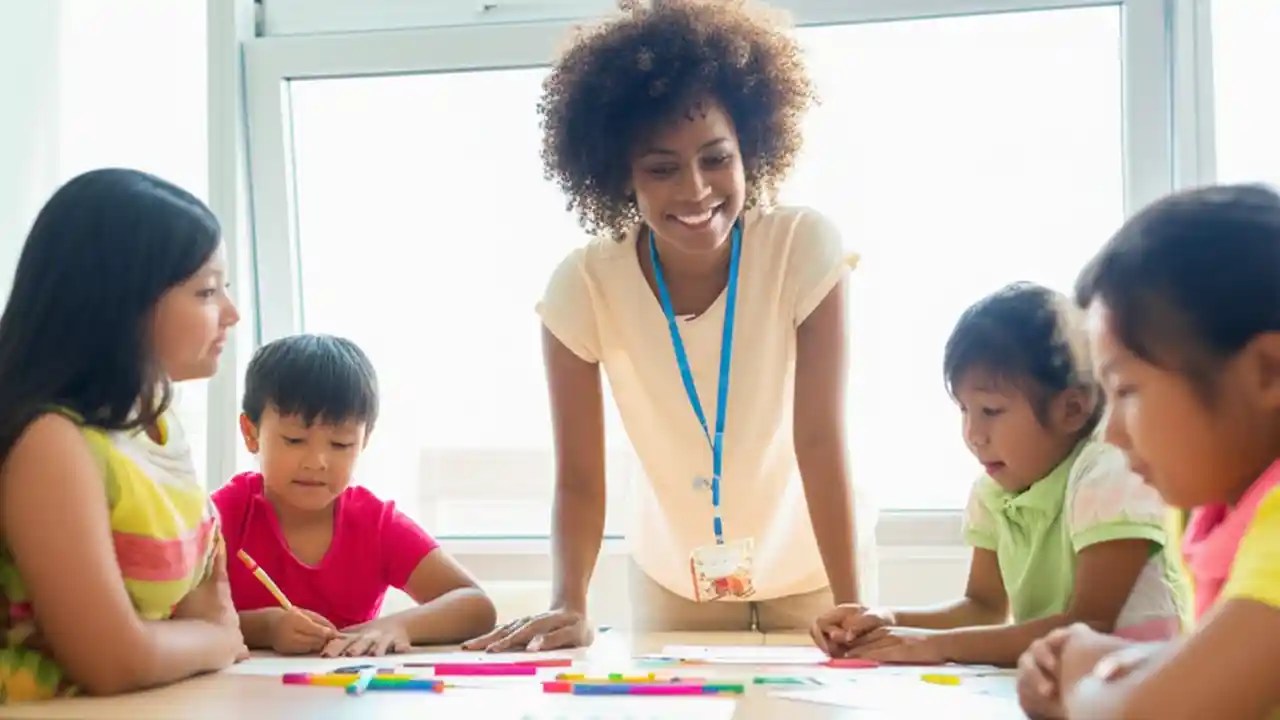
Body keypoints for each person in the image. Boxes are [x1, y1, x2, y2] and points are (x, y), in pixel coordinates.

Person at [465, 0, 873, 652]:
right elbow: (577, 478)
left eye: (717, 158)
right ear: (621, 175)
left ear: (751, 147)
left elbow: (821, 441)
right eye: (661, 168)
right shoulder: (584, 287)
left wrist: (855, 602)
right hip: (673, 582)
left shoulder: (803, 247)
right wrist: (567, 601)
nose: (696, 189)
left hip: (816, 573)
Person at [811, 283, 1184, 666]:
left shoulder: (1108, 474)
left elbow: (1089, 625)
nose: (973, 434)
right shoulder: (995, 490)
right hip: (1073, 682)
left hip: (1146, 684)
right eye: (963, 410)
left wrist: (936, 645)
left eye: (990, 410)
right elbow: (984, 606)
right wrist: (889, 619)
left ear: (1072, 409)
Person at [1016, 184, 1280, 719]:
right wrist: (1112, 662)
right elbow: (1204, 672)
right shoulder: (1213, 511)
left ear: (1268, 372)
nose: (1110, 433)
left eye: (1127, 390)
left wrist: (1083, 671)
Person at [0, 168, 244, 701]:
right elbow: (114, 660)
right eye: (206, 290)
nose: (232, 313)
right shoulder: (51, 442)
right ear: (120, 305)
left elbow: (201, 606)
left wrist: (204, 634)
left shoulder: (156, 425)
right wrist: (216, 639)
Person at [214, 334, 496, 657]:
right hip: (242, 700)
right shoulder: (223, 515)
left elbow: (477, 605)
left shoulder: (374, 523)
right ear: (251, 434)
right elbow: (173, 619)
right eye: (294, 440)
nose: (316, 462)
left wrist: (397, 626)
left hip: (348, 698)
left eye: (340, 444)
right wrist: (266, 628)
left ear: (363, 441)